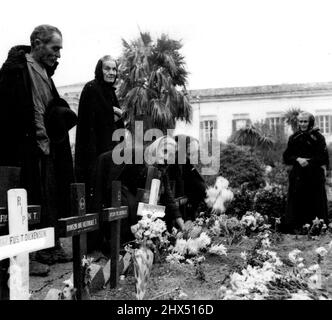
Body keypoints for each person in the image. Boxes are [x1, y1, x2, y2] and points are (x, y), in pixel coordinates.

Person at [0, 25, 77, 268]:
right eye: (55, 48)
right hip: (23, 150)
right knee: (25, 202)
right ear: (37, 42)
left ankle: (48, 248)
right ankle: (25, 257)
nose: (59, 55)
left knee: (48, 200)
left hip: (46, 149)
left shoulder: (44, 72)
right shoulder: (15, 70)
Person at [93, 135, 185, 254]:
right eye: (165, 151)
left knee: (146, 207)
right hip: (111, 175)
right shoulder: (138, 156)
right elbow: (116, 170)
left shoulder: (161, 167)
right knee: (131, 205)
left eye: (171, 155)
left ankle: (137, 242)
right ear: (156, 148)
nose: (167, 157)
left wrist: (181, 222)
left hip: (129, 189)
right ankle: (122, 245)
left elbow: (168, 196)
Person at [74, 55, 124, 251]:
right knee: (95, 195)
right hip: (94, 152)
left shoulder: (110, 92)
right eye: (107, 68)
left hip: (110, 151)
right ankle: (94, 242)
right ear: (99, 69)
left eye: (114, 69)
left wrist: (116, 114)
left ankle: (107, 239)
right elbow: (90, 123)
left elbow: (117, 123)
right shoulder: (92, 88)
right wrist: (114, 112)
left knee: (109, 194)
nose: (111, 72)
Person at [282, 111, 329, 233]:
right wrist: (298, 159)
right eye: (300, 121)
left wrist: (309, 162)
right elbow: (286, 156)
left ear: (310, 122)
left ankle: (316, 228)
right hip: (298, 175)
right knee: (298, 201)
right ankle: (297, 228)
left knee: (315, 201)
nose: (302, 124)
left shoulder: (318, 137)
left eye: (305, 121)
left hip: (314, 175)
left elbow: (323, 158)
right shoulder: (294, 137)